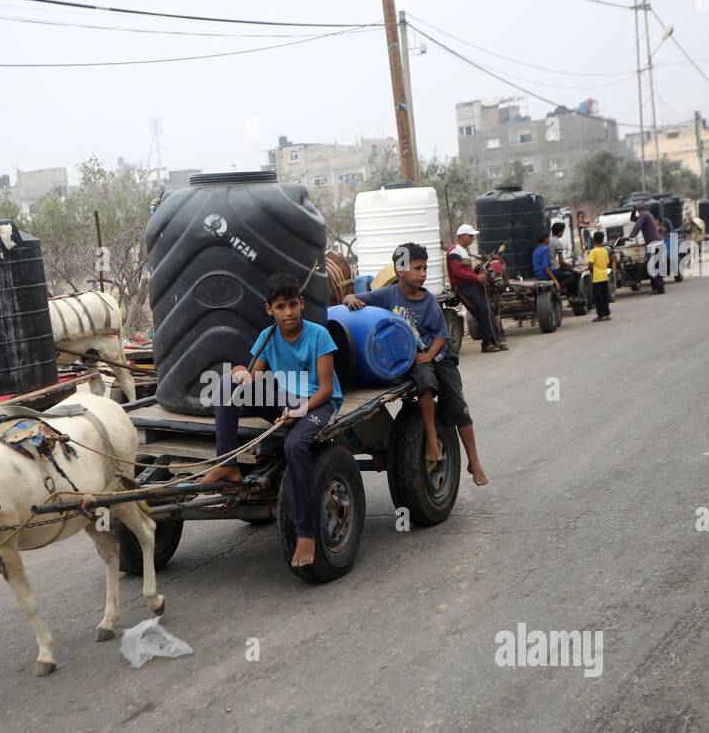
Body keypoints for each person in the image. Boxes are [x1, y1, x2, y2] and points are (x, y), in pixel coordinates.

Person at [202, 274, 342, 569]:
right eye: (280, 307)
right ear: (270, 310)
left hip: (317, 404)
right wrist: (241, 371)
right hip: (285, 400)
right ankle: (227, 464)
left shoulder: (319, 335)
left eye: (293, 304)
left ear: (301, 303)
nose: (288, 312)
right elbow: (251, 376)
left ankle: (306, 533)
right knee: (227, 383)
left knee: (294, 446)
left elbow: (327, 389)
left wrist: (299, 411)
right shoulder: (267, 336)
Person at [344, 242, 489, 485]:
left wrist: (430, 355)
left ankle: (474, 461)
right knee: (424, 381)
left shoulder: (428, 300)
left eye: (425, 268)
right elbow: (356, 297)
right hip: (414, 359)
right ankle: (432, 440)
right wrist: (350, 298)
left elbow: (442, 336)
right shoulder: (387, 294)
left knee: (458, 405)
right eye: (417, 268)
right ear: (400, 270)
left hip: (438, 356)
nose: (423, 274)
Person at [446, 223, 506, 353]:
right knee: (483, 310)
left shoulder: (463, 251)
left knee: (487, 309)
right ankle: (487, 343)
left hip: (470, 285)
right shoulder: (454, 251)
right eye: (470, 236)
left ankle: (494, 340)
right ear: (461, 236)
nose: (472, 239)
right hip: (462, 287)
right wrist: (476, 277)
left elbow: (465, 271)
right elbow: (457, 272)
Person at [627, 203, 666, 293]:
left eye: (637, 211)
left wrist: (631, 237)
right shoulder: (647, 215)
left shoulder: (644, 216)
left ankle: (659, 287)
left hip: (654, 244)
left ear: (639, 211)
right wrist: (633, 212)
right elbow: (633, 219)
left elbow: (637, 227)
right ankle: (657, 288)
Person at [548, 222, 582, 298]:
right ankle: (573, 295)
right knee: (576, 274)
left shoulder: (548, 240)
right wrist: (569, 265)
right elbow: (561, 261)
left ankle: (570, 295)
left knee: (570, 272)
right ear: (560, 232)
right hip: (555, 268)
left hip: (550, 266)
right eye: (563, 231)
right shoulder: (558, 242)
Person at [587, 231, 612, 322]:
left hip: (596, 278)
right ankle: (607, 314)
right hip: (605, 276)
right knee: (605, 296)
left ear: (593, 240)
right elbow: (607, 264)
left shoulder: (592, 252)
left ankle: (600, 315)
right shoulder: (604, 251)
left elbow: (590, 265)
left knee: (598, 298)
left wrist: (591, 270)